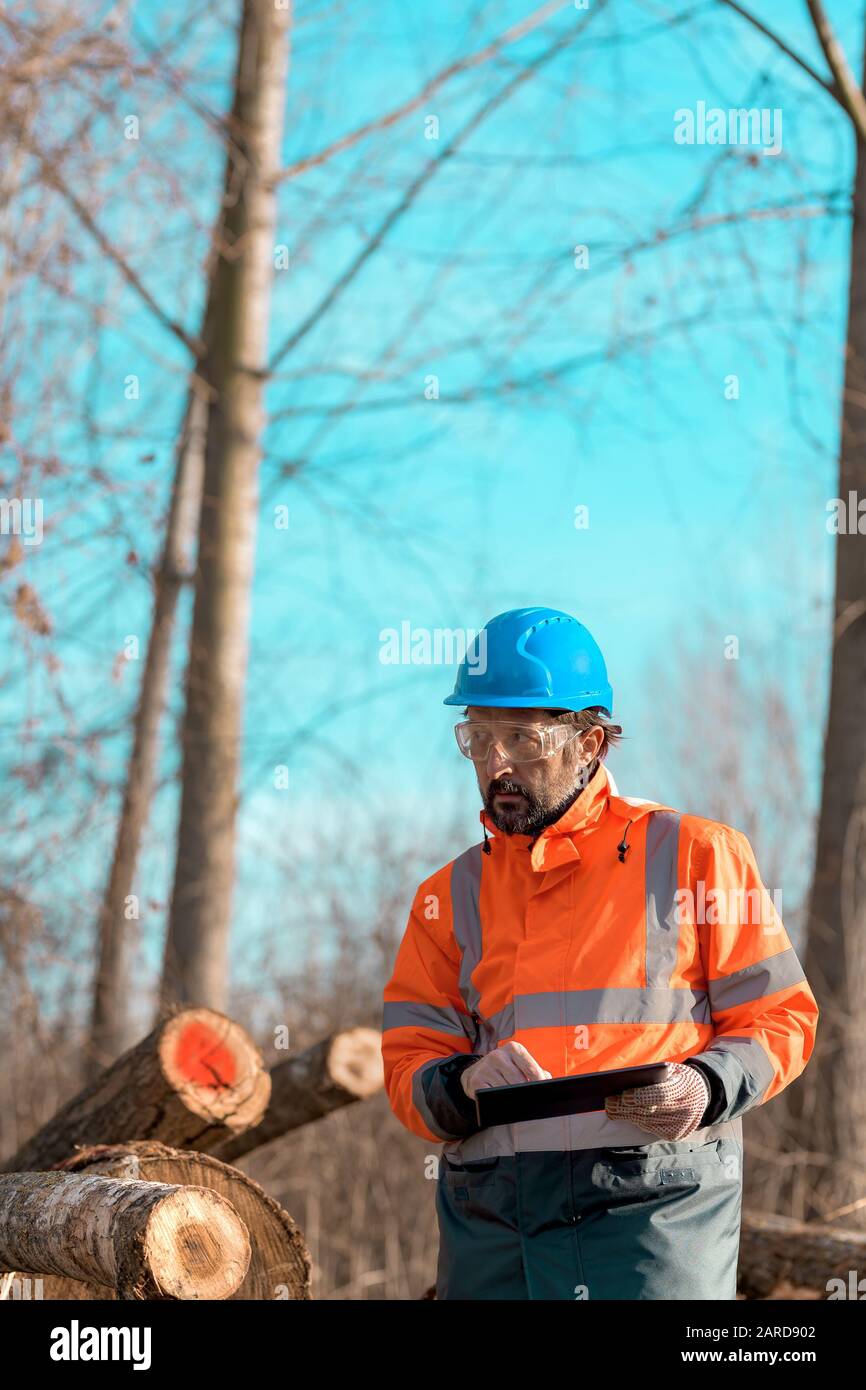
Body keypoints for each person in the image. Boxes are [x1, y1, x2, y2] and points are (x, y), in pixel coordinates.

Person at [382, 606, 819, 1300]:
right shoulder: (448, 895)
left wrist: (705, 1087)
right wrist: (463, 1084)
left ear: (590, 743)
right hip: (496, 1235)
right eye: (479, 738)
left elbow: (781, 1019)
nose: (497, 764)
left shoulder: (697, 855)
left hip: (653, 1225)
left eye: (522, 739)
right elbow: (407, 1065)